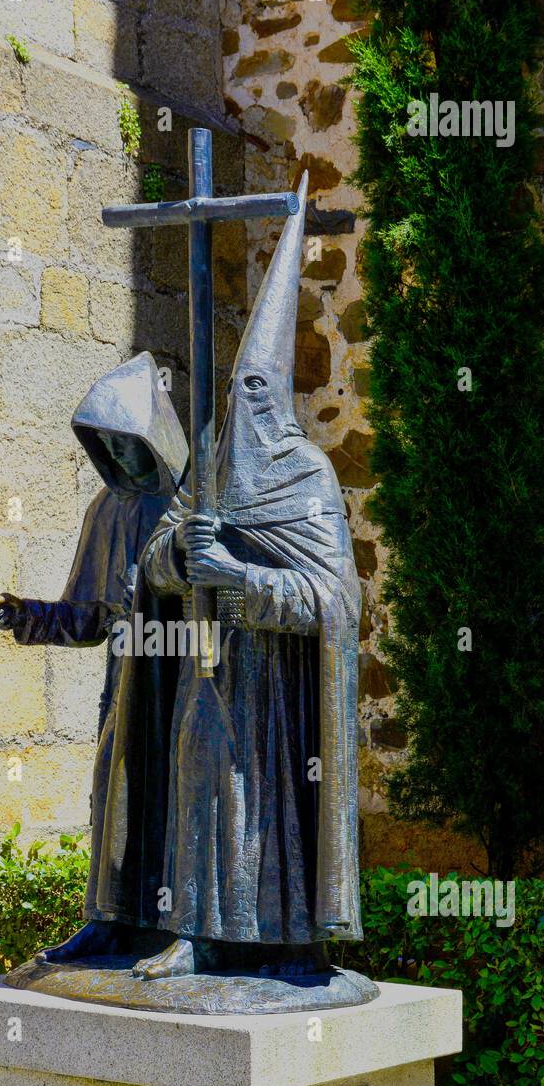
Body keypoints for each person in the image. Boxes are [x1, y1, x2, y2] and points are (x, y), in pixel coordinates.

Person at [95, 175, 364, 980]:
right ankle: (191, 931)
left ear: (277, 394)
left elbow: (334, 600)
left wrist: (239, 577)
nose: (244, 402)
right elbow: (154, 559)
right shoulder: (206, 472)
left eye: (258, 387)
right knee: (195, 790)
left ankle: (281, 941)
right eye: (235, 388)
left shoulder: (308, 476)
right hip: (202, 674)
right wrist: (182, 561)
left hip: (277, 693)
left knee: (264, 808)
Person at [0, 352, 187, 958]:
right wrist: (17, 612)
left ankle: (184, 935)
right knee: (114, 792)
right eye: (109, 447)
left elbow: (223, 605)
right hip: (125, 686)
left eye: (130, 445)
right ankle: (110, 920)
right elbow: (83, 619)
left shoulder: (194, 507)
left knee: (177, 799)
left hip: (183, 681)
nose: (122, 459)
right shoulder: (108, 509)